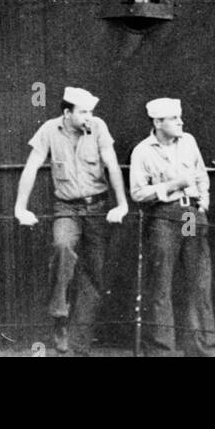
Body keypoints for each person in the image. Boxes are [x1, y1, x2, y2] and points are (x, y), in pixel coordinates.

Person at [14, 86, 128, 354]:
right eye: (84, 112)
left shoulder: (98, 127)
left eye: (91, 111)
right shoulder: (49, 130)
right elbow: (31, 167)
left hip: (98, 208)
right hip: (66, 208)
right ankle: (60, 317)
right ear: (67, 113)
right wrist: (21, 208)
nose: (90, 116)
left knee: (94, 274)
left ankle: (79, 342)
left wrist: (122, 204)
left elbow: (111, 164)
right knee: (62, 247)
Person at [129, 97, 215, 357]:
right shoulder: (143, 151)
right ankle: (161, 351)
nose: (181, 121)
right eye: (174, 118)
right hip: (163, 217)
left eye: (180, 116)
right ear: (158, 122)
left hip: (190, 216)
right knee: (161, 283)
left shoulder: (189, 141)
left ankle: (204, 349)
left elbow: (201, 175)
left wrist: (202, 203)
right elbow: (138, 193)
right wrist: (173, 185)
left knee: (198, 279)